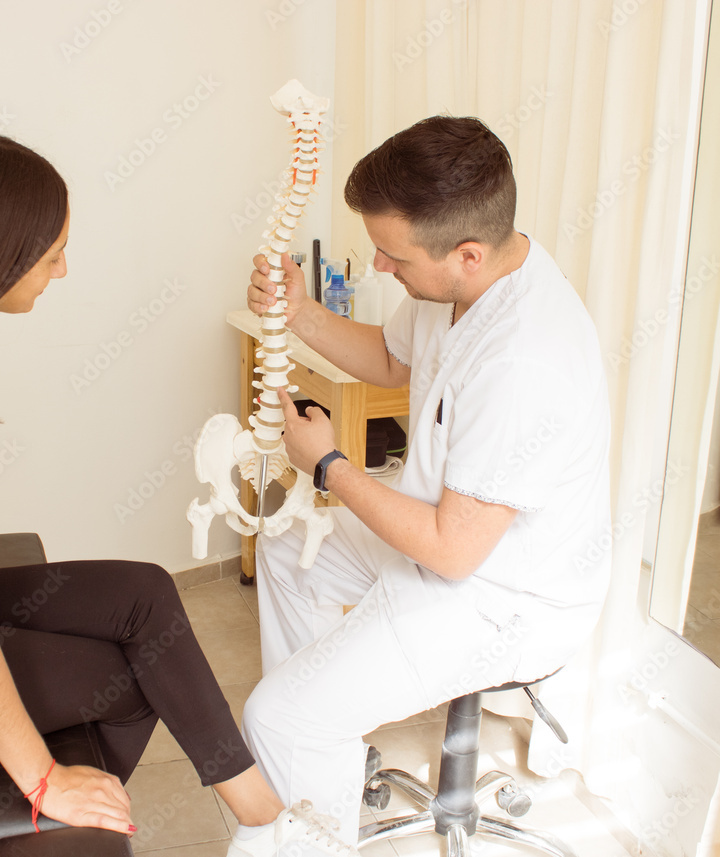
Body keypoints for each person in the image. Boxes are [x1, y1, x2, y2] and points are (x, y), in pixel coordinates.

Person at [0, 131, 357, 857]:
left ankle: (259, 813)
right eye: (50, 255)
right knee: (128, 681)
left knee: (143, 596)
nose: (63, 270)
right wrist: (43, 776)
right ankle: (59, 823)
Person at [242, 116, 611, 848]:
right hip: (448, 536)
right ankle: (322, 747)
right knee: (287, 544)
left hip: (501, 597)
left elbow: (450, 553)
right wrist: (300, 310)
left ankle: (306, 736)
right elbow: (389, 355)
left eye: (390, 255)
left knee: (276, 716)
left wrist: (329, 464)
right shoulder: (462, 282)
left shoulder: (524, 360)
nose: (379, 267)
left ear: (466, 253)